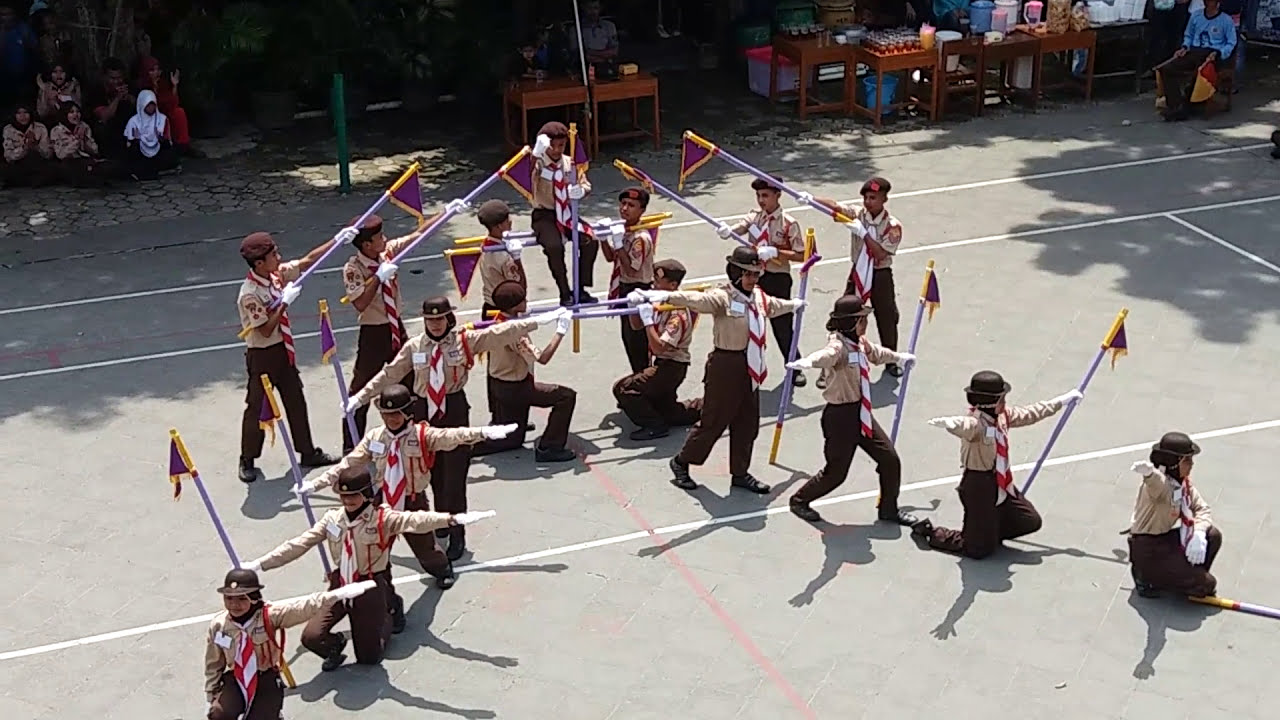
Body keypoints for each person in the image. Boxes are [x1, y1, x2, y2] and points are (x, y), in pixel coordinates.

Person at [346, 296, 554, 559]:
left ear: (448, 318)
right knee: (431, 475)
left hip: (453, 410)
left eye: (439, 318)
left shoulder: (463, 341)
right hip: (422, 415)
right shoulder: (414, 347)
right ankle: (441, 524)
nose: (434, 324)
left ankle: (458, 535)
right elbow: (391, 373)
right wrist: (361, 396)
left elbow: (497, 334)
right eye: (429, 319)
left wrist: (534, 323)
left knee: (455, 478)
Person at [243, 467, 495, 671]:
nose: (348, 501)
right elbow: (300, 544)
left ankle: (389, 610)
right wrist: (261, 564)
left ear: (367, 494)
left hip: (371, 585)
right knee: (311, 637)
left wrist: (451, 519)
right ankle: (336, 646)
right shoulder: (332, 519)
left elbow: (416, 520)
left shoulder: (383, 519)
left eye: (354, 496)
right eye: (344, 497)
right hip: (340, 585)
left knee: (369, 658)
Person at [631, 246, 805, 493]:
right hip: (726, 365)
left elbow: (773, 307)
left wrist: (794, 305)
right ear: (735, 273)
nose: (753, 279)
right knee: (713, 421)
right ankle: (681, 462)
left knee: (748, 423)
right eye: (748, 274)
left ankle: (740, 473)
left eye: (756, 274)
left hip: (751, 365)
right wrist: (663, 298)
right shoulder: (723, 297)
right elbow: (698, 300)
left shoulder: (757, 296)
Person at [911, 371, 1082, 558]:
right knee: (978, 551)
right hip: (978, 485)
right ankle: (932, 532)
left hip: (1001, 481)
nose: (1005, 402)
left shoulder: (1002, 417)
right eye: (1002, 398)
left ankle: (987, 532)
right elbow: (965, 426)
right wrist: (951, 423)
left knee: (1029, 521)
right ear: (992, 402)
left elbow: (1029, 413)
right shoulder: (977, 425)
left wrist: (1061, 402)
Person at [785, 295, 919, 525]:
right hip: (840, 418)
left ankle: (889, 509)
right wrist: (809, 362)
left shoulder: (861, 343)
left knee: (890, 460)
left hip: (861, 413)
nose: (866, 323)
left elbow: (877, 354)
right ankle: (799, 500)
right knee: (836, 473)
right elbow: (827, 356)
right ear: (850, 323)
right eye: (861, 319)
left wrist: (899, 358)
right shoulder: (839, 346)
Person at [236, 231, 342, 483]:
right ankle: (247, 457)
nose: (279, 258)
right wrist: (284, 302)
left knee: (295, 399)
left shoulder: (275, 276)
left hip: (283, 350)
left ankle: (307, 451)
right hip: (261, 354)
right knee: (257, 407)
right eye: (274, 255)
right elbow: (264, 328)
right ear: (259, 263)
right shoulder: (250, 294)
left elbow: (306, 261)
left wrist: (338, 239)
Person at [203, 568, 376, 720]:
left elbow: (301, 608)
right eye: (229, 598)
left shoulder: (269, 616)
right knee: (219, 715)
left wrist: (335, 595)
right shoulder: (219, 625)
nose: (234, 605)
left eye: (241, 599)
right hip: (236, 679)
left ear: (254, 598)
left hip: (265, 679)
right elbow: (213, 662)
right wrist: (211, 694)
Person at [339, 213, 430, 453]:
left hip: (395, 326)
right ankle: (351, 445)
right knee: (362, 389)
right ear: (366, 244)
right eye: (379, 237)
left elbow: (416, 237)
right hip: (373, 332)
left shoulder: (386, 253)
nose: (385, 239)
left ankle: (416, 433)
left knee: (411, 378)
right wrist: (377, 278)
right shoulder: (353, 268)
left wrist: (445, 213)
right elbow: (359, 302)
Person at [471, 281, 578, 462]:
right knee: (566, 397)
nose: (526, 301)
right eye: (523, 300)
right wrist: (560, 331)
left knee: (512, 439)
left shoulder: (497, 320)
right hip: (516, 388)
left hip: (498, 384)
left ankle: (470, 443)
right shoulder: (515, 334)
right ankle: (550, 447)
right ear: (515, 306)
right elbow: (542, 358)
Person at [718, 177, 807, 387]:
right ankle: (745, 368)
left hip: (777, 277)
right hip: (753, 276)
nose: (761, 200)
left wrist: (777, 252)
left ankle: (794, 366)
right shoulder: (754, 217)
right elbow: (740, 227)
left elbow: (801, 254)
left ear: (778, 195)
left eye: (765, 195)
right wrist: (728, 231)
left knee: (782, 325)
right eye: (758, 196)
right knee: (744, 321)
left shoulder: (789, 223)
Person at [813, 177, 904, 382]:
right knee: (843, 315)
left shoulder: (892, 226)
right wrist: (810, 198)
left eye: (873, 197)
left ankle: (890, 360)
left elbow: (880, 254)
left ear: (884, 198)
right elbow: (835, 207)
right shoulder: (857, 215)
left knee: (887, 317)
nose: (868, 202)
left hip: (880, 274)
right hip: (858, 271)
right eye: (865, 198)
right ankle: (829, 365)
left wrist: (864, 234)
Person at [611, 258, 703, 441]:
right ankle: (708, 406)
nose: (653, 282)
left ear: (673, 285)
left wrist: (648, 321)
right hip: (663, 364)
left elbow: (659, 348)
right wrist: (634, 307)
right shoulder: (660, 301)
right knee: (669, 412)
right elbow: (636, 326)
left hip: (671, 366)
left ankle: (654, 426)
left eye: (659, 280)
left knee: (623, 389)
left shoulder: (677, 312)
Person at [1127, 432, 1222, 598]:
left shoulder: (1183, 485)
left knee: (1212, 535)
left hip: (1164, 539)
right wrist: (1149, 473)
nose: (1192, 464)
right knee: (1207, 585)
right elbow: (1156, 482)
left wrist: (1199, 533)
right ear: (1173, 463)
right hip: (1148, 549)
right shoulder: (1160, 486)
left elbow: (1202, 509)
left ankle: (1188, 575)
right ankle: (1147, 577)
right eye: (1187, 460)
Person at [530, 121, 598, 306]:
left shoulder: (570, 163)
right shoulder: (538, 164)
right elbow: (525, 178)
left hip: (567, 212)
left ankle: (581, 288)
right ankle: (564, 291)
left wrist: (581, 191)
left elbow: (585, 184)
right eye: (553, 145)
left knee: (590, 240)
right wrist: (535, 154)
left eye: (562, 145)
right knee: (554, 246)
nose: (558, 150)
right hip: (545, 214)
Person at [602, 187, 657, 373]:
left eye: (631, 205)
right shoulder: (625, 230)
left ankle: (643, 378)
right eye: (623, 203)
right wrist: (604, 239)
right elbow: (611, 258)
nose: (625, 208)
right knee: (628, 338)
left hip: (639, 290)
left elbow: (632, 268)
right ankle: (638, 375)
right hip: (626, 288)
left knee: (638, 341)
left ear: (642, 210)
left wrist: (618, 244)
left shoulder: (640, 237)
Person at [1155, 0, 1237, 120]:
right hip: (1194, 51)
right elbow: (1188, 36)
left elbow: (1231, 43)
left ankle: (1189, 104)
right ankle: (1176, 106)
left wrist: (1219, 53)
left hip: (1213, 54)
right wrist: (1184, 47)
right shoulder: (1196, 16)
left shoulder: (1226, 20)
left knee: (1199, 72)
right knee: (1166, 68)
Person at [135, 55, 202, 157]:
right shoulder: (141, 87)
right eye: (152, 70)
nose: (156, 73)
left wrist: (174, 86)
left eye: (157, 69)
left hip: (164, 113)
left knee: (178, 112)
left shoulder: (161, 83)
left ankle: (183, 146)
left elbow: (172, 102)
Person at [476, 199, 528, 318]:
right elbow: (520, 289)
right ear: (499, 226)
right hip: (504, 310)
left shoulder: (486, 244)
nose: (510, 222)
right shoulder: (502, 256)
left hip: (489, 305)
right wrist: (516, 257)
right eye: (507, 220)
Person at [49, 101, 109, 186]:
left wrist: (84, 140)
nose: (76, 115)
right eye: (72, 112)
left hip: (84, 159)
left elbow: (95, 150)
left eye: (78, 112)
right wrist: (76, 140)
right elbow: (61, 155)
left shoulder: (84, 126)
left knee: (107, 166)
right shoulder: (56, 130)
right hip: (68, 162)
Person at [123, 88, 179, 180]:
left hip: (158, 152)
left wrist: (160, 138)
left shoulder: (162, 119)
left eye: (153, 105)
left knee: (170, 154)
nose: (151, 108)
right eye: (148, 105)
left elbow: (167, 140)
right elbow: (130, 142)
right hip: (141, 153)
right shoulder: (134, 121)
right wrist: (137, 139)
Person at [90, 57, 134, 160]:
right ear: (104, 77)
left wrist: (129, 98)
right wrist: (117, 98)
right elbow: (105, 117)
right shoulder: (96, 91)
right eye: (112, 78)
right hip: (106, 132)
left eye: (119, 78)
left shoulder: (128, 85)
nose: (117, 82)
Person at [2, 101, 53, 187]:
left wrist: (35, 146)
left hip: (37, 163)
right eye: (19, 113)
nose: (23, 116)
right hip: (18, 163)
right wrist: (24, 148)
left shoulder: (40, 128)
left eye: (25, 112)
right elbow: (8, 156)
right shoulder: (8, 129)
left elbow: (48, 154)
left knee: (50, 168)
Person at [0, 4, 37, 110]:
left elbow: (34, 48)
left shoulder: (23, 28)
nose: (5, 17)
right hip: (3, 77)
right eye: (2, 15)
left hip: (23, 76)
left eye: (8, 14)